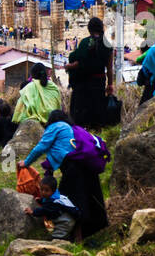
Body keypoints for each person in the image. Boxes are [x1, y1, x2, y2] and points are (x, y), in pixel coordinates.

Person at [23, 110, 109, 240]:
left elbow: (41, 147)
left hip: (74, 169)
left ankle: (74, 237)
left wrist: (25, 162)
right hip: (87, 167)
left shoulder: (56, 126)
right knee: (89, 199)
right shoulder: (72, 128)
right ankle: (87, 235)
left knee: (69, 201)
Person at [66, 16, 112, 129]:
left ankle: (82, 135)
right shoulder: (108, 45)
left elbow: (79, 62)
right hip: (99, 82)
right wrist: (110, 84)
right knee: (97, 109)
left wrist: (68, 66)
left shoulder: (85, 42)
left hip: (83, 83)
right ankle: (97, 133)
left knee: (81, 111)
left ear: (89, 29)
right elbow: (110, 68)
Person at [24, 174, 81, 241]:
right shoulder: (54, 196)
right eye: (41, 189)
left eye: (46, 190)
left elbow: (44, 210)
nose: (43, 192)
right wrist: (41, 201)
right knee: (54, 228)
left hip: (66, 221)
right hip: (63, 217)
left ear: (53, 191)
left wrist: (33, 212)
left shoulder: (54, 201)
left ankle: (61, 241)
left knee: (58, 235)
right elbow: (48, 203)